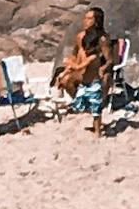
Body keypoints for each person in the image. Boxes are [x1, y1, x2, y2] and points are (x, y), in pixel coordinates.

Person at [53, 9, 126, 138]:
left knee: (99, 87)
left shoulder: (103, 39)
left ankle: (96, 118)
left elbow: (109, 60)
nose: (85, 21)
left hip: (96, 71)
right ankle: (86, 105)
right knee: (64, 81)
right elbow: (75, 55)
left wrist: (102, 69)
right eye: (85, 18)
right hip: (81, 70)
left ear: (96, 21)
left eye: (89, 19)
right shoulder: (80, 36)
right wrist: (69, 67)